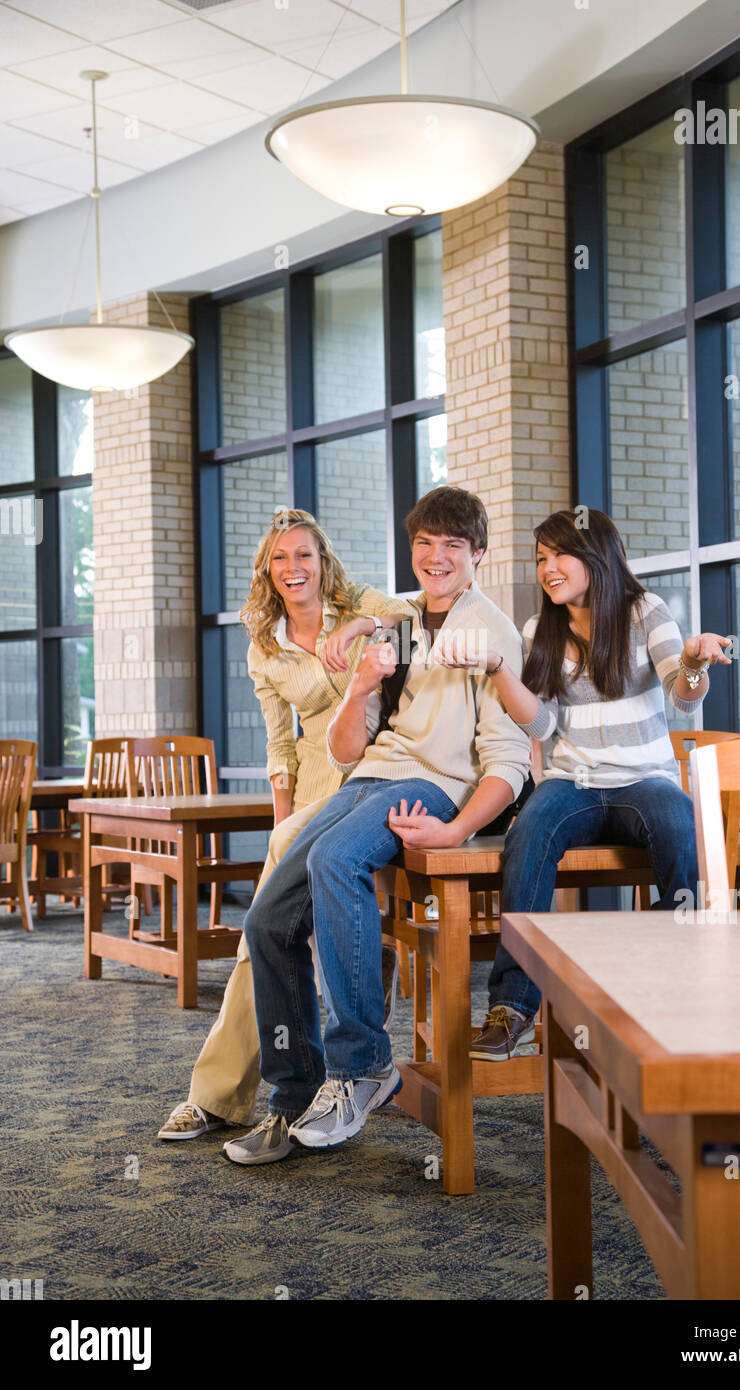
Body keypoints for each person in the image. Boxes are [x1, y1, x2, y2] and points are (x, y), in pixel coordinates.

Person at [222, 486, 531, 1165]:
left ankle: (361, 1067)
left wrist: (455, 830)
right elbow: (344, 751)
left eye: (453, 544)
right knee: (267, 918)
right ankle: (294, 1094)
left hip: (435, 785)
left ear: (478, 553)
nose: (436, 556)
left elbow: (510, 760)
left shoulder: (493, 631)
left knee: (335, 860)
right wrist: (360, 683)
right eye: (425, 543)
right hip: (367, 779)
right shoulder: (399, 619)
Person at [435, 507, 733, 1060]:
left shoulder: (645, 612)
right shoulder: (538, 628)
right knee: (530, 832)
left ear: (596, 556)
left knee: (678, 823)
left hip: (645, 779)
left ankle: (675, 975)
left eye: (559, 555)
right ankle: (513, 1007)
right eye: (541, 558)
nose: (547, 568)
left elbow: (685, 692)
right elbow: (543, 724)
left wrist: (693, 660)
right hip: (574, 781)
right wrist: (501, 667)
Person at [158, 508, 410, 1140]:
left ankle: (230, 1092)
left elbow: (411, 615)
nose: (293, 569)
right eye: (280, 559)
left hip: (377, 770)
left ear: (323, 560)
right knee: (263, 929)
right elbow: (280, 747)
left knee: (266, 927)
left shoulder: (359, 602)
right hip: (312, 790)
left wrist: (359, 623)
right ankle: (230, 1090)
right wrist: (283, 822)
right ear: (267, 573)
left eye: (304, 555)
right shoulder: (263, 644)